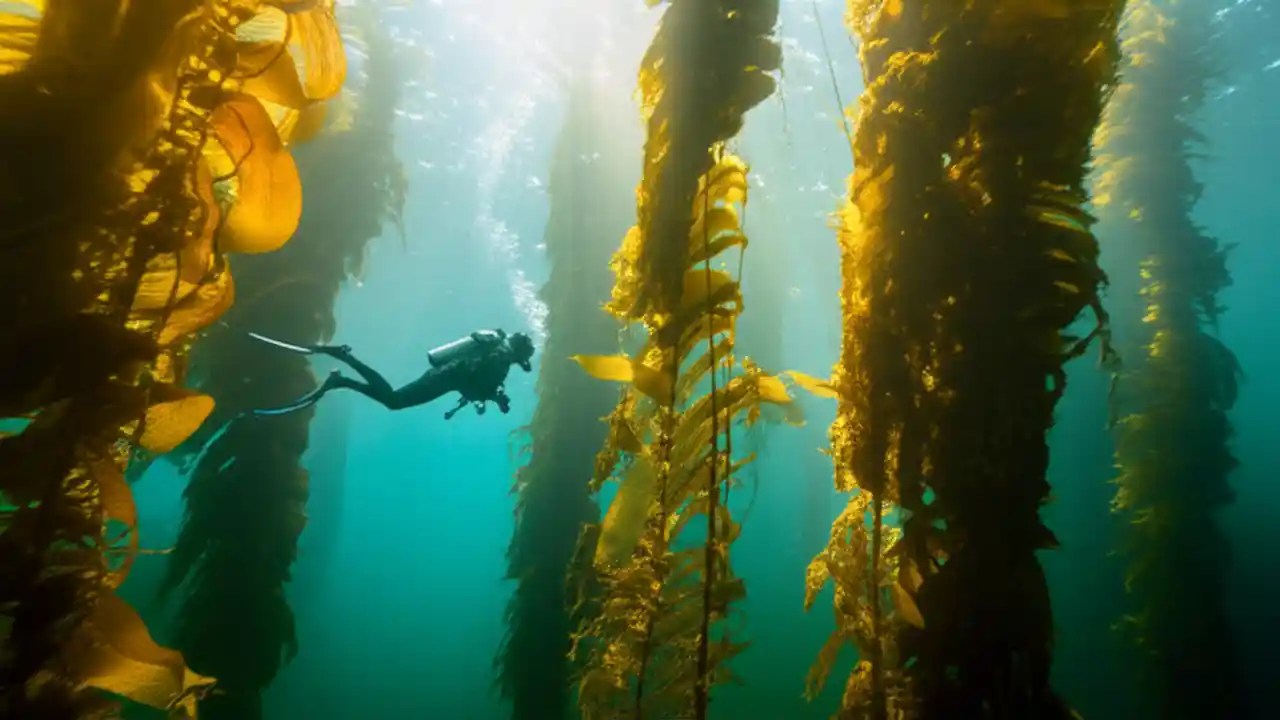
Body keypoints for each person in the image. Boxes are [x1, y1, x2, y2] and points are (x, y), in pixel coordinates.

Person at [249, 328, 535, 420]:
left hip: (444, 378)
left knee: (393, 401)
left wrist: (496, 398)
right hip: (443, 379)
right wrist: (495, 398)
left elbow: (479, 384)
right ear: (521, 354)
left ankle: (342, 378)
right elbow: (476, 382)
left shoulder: (498, 355)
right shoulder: (501, 358)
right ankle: (343, 359)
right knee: (394, 400)